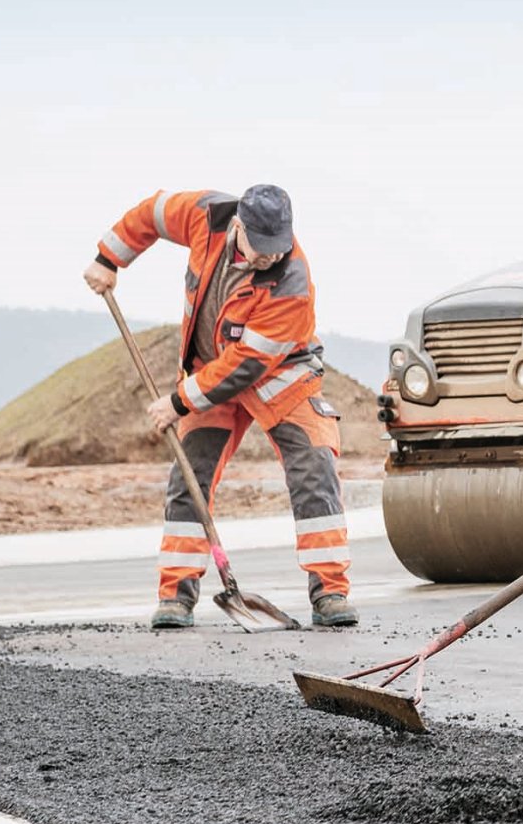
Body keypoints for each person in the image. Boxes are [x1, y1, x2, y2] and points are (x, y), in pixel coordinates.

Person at [83, 185, 356, 629]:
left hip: (279, 376)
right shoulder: (204, 216)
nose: (270, 257)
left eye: (278, 248)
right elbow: (151, 213)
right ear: (238, 227)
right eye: (261, 249)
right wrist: (108, 258)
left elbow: (248, 364)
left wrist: (178, 401)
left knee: (314, 465)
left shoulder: (292, 281)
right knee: (190, 474)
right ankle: (175, 595)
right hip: (209, 369)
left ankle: (330, 591)